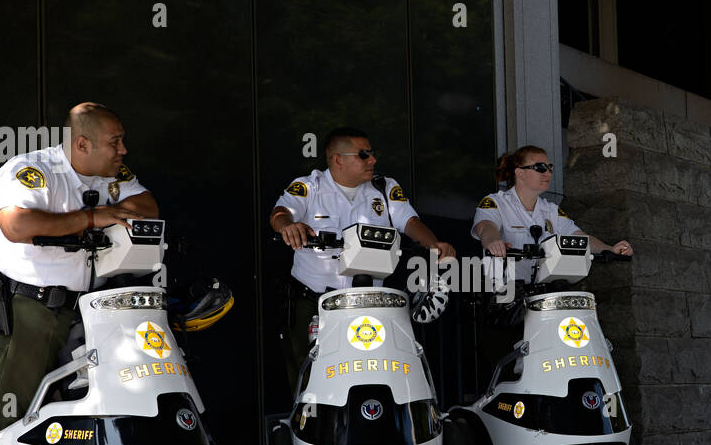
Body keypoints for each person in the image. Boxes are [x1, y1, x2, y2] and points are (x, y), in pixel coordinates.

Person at [0, 103, 158, 431]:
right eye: (115, 142)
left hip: (87, 308)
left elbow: (147, 205)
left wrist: (107, 210)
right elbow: (16, 226)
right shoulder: (34, 169)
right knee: (20, 411)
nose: (124, 150)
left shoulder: (109, 174)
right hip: (30, 305)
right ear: (82, 145)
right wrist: (90, 219)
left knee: (83, 405)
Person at [270, 127, 456, 389]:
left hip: (373, 305)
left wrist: (433, 243)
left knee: (383, 375)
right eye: (363, 155)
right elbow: (281, 213)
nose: (373, 160)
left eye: (372, 154)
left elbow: (409, 221)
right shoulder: (309, 186)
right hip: (316, 304)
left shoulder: (384, 187)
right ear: (338, 160)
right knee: (311, 383)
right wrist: (287, 225)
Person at [469, 145, 633, 380]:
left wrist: (609, 248)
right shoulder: (496, 202)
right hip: (506, 297)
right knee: (510, 363)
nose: (548, 172)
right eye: (540, 167)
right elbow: (486, 226)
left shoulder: (551, 210)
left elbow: (579, 237)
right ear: (520, 172)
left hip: (545, 296)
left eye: (550, 167)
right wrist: (493, 240)